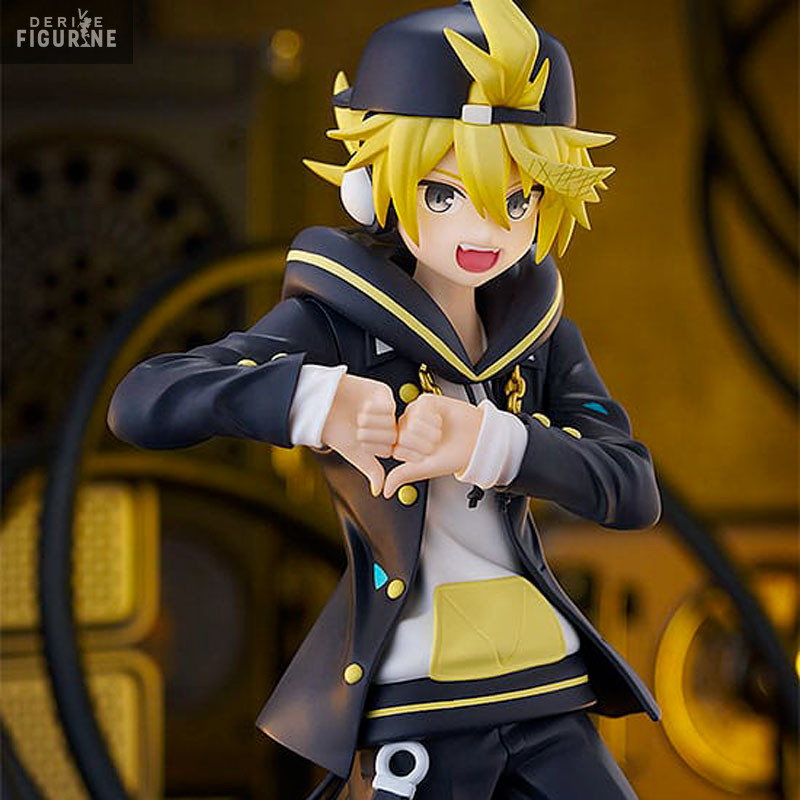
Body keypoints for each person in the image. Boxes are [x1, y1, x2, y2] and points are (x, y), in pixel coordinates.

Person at [107, 1, 662, 797]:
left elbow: (631, 488)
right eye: (444, 194)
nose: (486, 228)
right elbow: (144, 399)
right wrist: (311, 401)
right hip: (417, 687)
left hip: (545, 678)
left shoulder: (541, 338)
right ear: (373, 190)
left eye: (517, 200)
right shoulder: (336, 326)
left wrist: (492, 442)